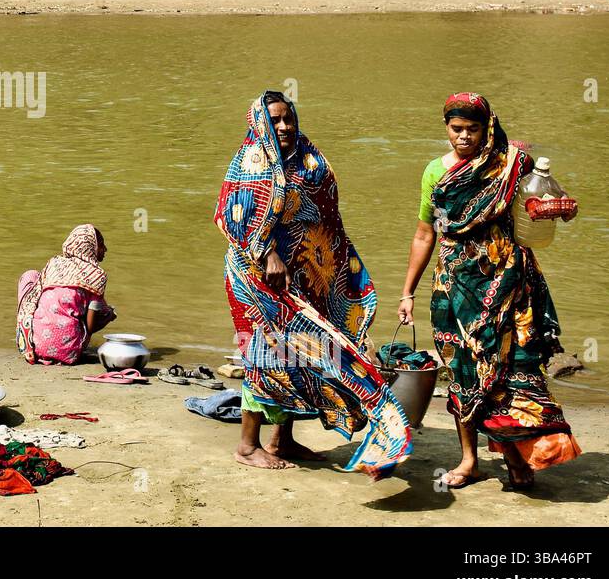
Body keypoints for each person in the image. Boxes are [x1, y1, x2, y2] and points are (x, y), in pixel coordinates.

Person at [215, 91, 411, 477]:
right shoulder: (251, 164)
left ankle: (281, 439)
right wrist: (267, 253)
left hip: (303, 275)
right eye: (276, 121)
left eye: (289, 118)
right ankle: (247, 445)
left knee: (298, 354)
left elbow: (326, 212)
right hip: (255, 278)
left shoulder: (307, 158)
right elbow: (230, 216)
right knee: (265, 355)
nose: (285, 126)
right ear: (260, 124)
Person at [399, 92, 580, 489]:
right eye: (456, 128)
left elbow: (557, 199)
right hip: (453, 285)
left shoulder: (512, 165)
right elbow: (425, 233)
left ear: (488, 128)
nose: (464, 137)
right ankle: (469, 461)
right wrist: (407, 292)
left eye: (473, 129)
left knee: (512, 369)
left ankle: (518, 456)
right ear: (446, 128)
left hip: (509, 283)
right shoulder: (435, 172)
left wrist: (559, 208)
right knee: (463, 370)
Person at [16, 225, 116, 365]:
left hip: (37, 348)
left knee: (30, 277)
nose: (105, 250)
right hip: (71, 354)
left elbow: (34, 299)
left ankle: (27, 345)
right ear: (90, 247)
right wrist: (108, 315)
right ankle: (69, 343)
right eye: (101, 245)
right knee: (105, 311)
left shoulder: (54, 263)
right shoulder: (97, 275)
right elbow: (91, 326)